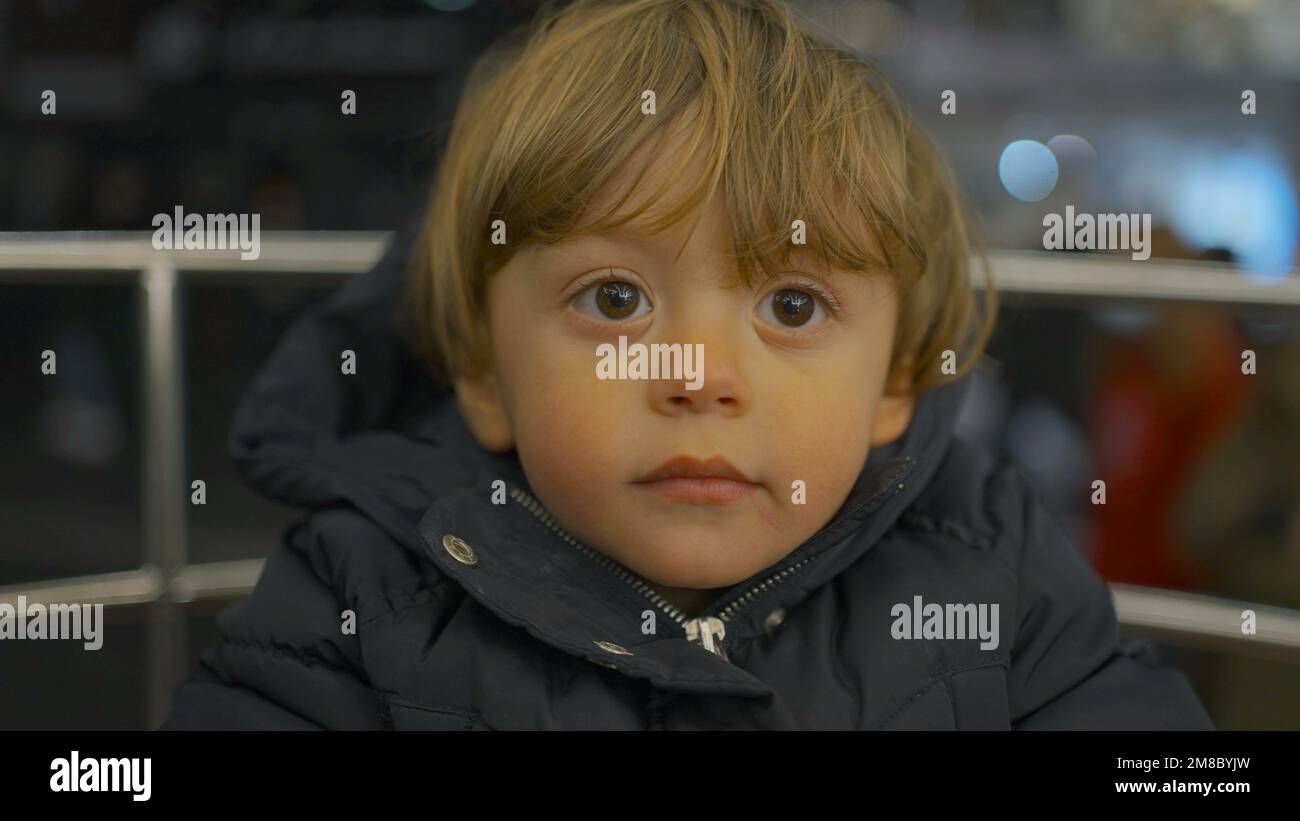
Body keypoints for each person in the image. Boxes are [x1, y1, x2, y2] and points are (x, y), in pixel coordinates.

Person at [164, 0, 1211, 729]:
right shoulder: (366, 586)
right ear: (483, 372)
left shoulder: (990, 563)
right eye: (614, 300)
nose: (698, 373)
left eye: (792, 304)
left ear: (894, 379)